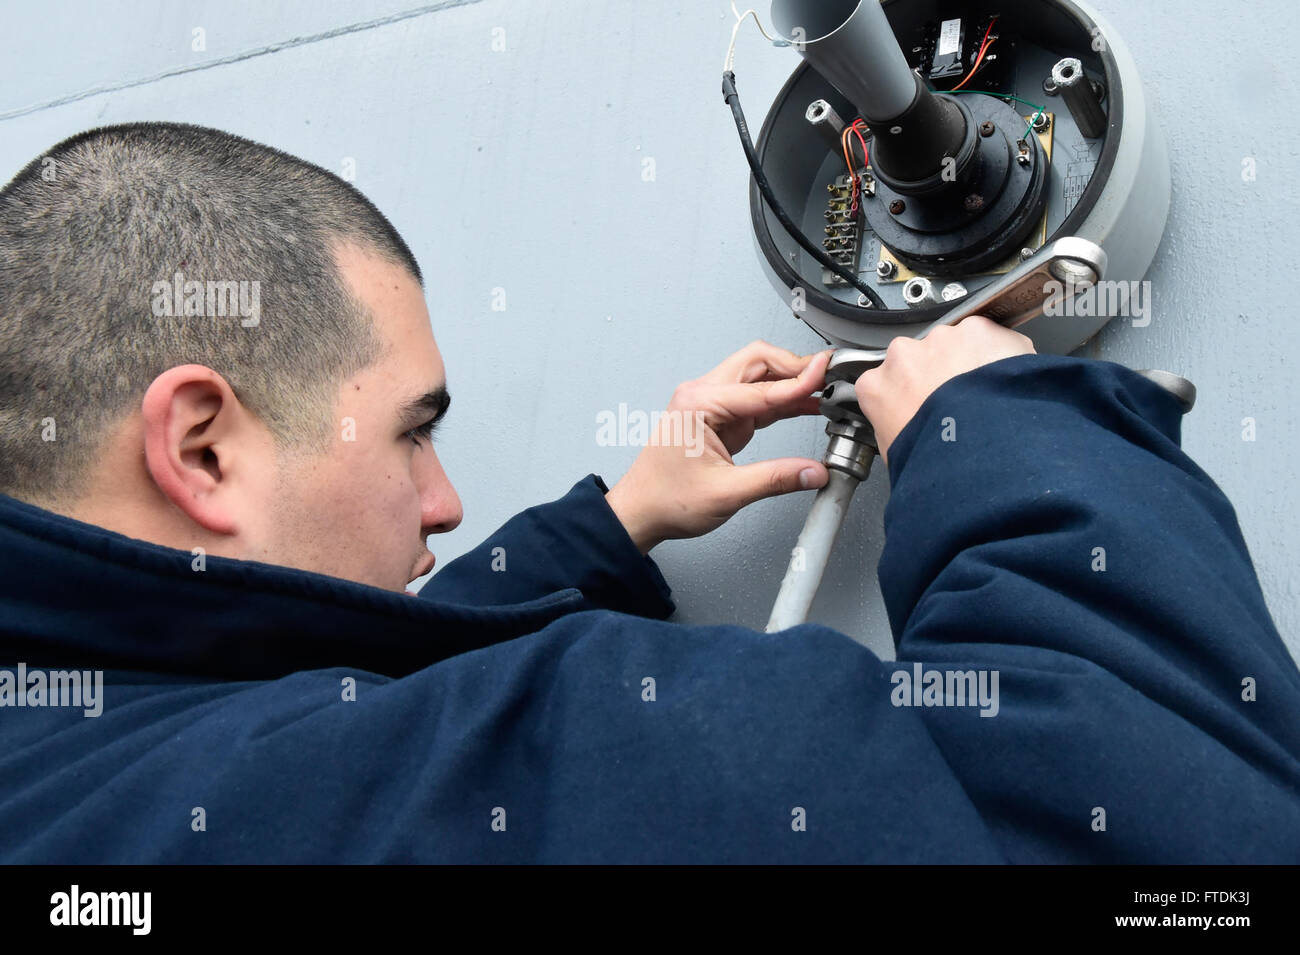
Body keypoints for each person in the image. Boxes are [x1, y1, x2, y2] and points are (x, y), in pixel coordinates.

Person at [0, 123, 1296, 863]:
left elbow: (285, 698)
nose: (448, 505)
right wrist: (1005, 427)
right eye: (411, 435)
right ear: (205, 449)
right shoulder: (459, 779)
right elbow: (1151, 820)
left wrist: (607, 529)